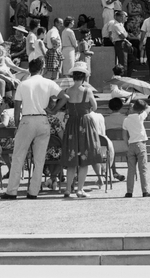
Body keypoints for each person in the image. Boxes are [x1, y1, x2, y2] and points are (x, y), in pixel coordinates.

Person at [0, 58, 62, 199]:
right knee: (39, 159)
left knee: (18, 157)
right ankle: (33, 191)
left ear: (30, 68)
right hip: (43, 119)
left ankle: (12, 191)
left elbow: (17, 108)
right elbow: (64, 96)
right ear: (42, 68)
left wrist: (17, 125)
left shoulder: (23, 84)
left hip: (27, 119)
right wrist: (54, 110)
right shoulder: (49, 83)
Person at [51, 62, 101, 198]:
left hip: (72, 124)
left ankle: (68, 189)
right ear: (84, 77)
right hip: (84, 123)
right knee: (84, 157)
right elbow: (94, 107)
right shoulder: (87, 91)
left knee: (72, 156)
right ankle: (80, 189)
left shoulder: (67, 91)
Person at [122, 99, 150, 198]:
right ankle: (145, 191)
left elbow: (124, 136)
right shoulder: (140, 116)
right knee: (143, 169)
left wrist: (128, 145)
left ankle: (129, 192)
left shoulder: (126, 120)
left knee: (131, 170)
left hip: (131, 145)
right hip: (141, 144)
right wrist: (139, 105)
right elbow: (149, 108)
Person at [104, 97, 128, 181]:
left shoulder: (105, 119)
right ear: (121, 106)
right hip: (124, 145)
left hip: (109, 146)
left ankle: (114, 171)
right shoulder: (125, 118)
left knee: (111, 147)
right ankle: (131, 171)